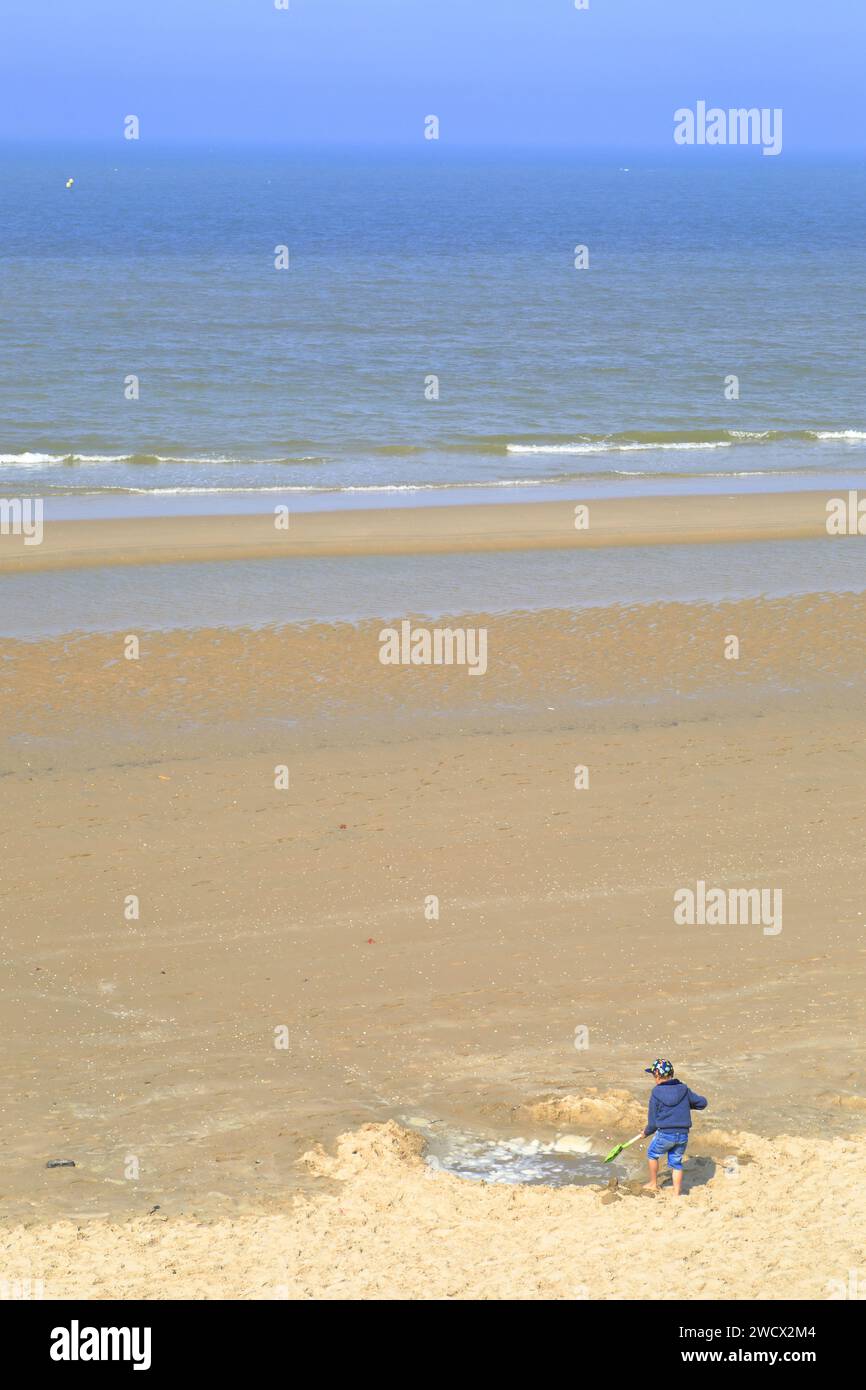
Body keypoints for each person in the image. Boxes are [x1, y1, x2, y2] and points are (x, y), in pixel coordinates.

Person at [642, 1059, 707, 1195]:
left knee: (652, 1154)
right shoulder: (683, 1089)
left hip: (665, 1134)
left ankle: (653, 1183)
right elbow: (702, 1103)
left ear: (658, 1077)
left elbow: (653, 1122)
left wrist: (646, 1132)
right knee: (676, 1163)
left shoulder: (656, 1093)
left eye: (654, 1076)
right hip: (682, 1135)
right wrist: (688, 1104)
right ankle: (677, 1193)